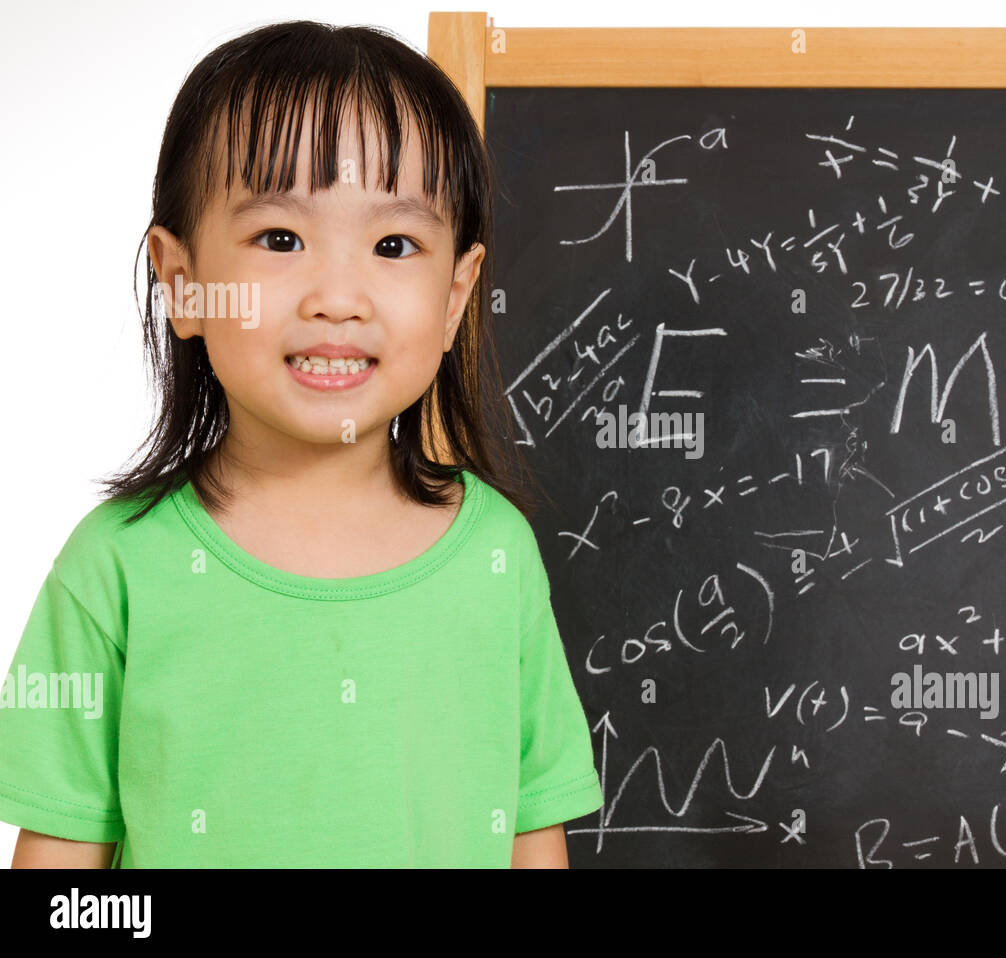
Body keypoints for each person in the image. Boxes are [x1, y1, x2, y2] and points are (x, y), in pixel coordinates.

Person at [0, 20, 603, 867]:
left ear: (456, 298)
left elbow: (532, 837)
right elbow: (63, 868)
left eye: (394, 245)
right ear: (184, 284)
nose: (338, 296)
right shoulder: (115, 568)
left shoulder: (497, 558)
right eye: (280, 239)